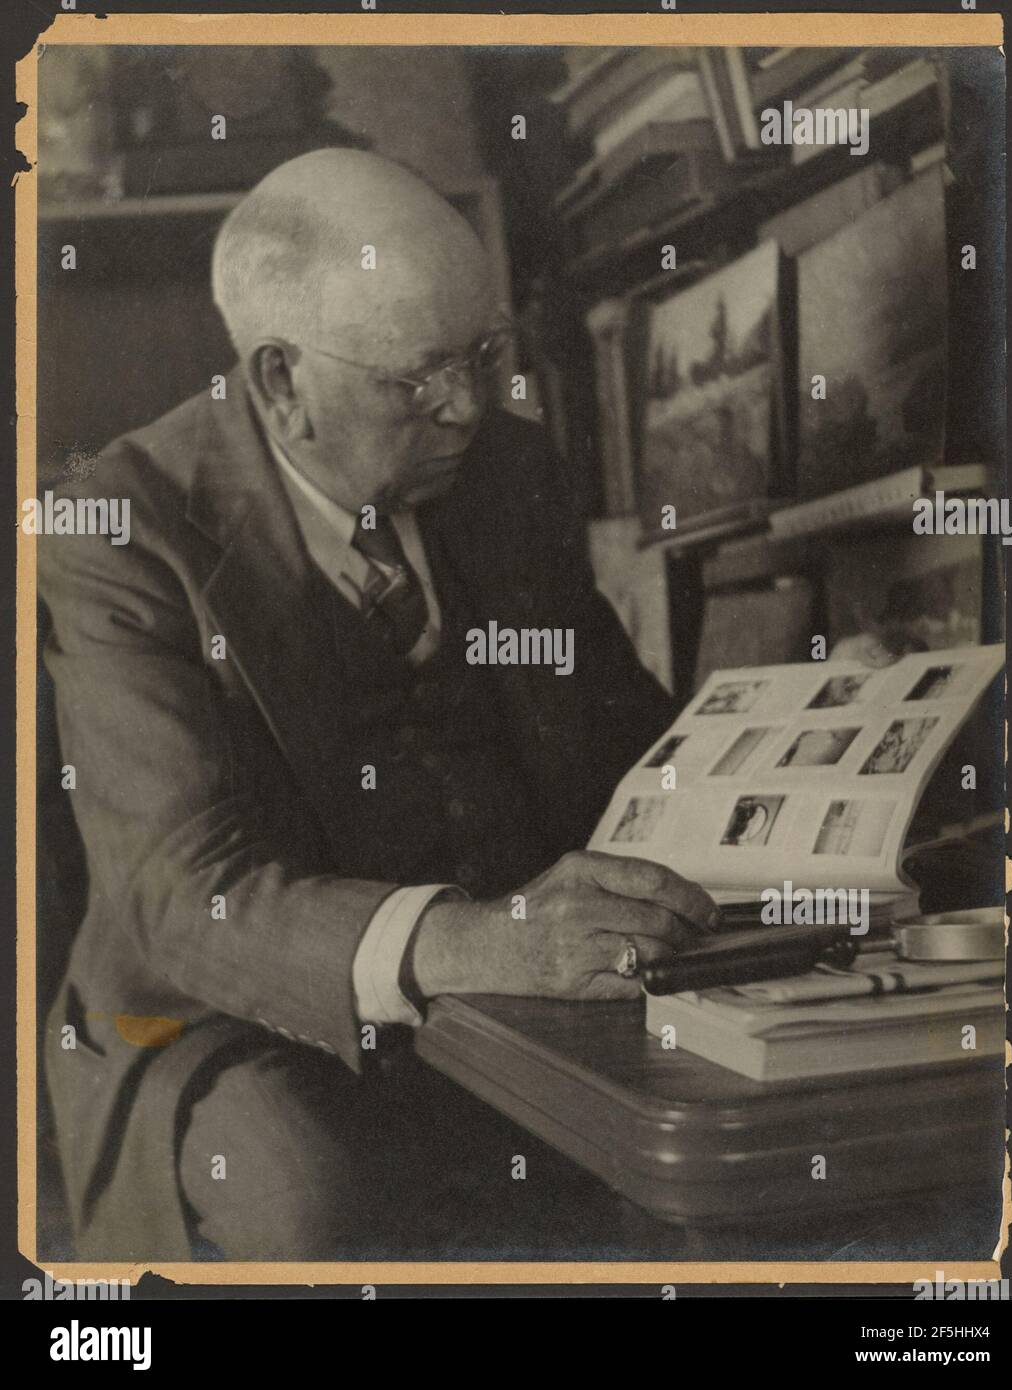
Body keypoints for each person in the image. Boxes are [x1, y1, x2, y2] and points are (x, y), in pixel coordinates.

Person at [40, 149, 723, 1260]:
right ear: (277, 380)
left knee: (707, 1155)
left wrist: (798, 743)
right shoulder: (118, 529)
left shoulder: (508, 469)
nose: (465, 406)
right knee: (313, 1201)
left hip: (509, 989)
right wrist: (477, 942)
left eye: (484, 354)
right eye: (414, 379)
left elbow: (619, 736)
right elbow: (187, 897)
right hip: (220, 1013)